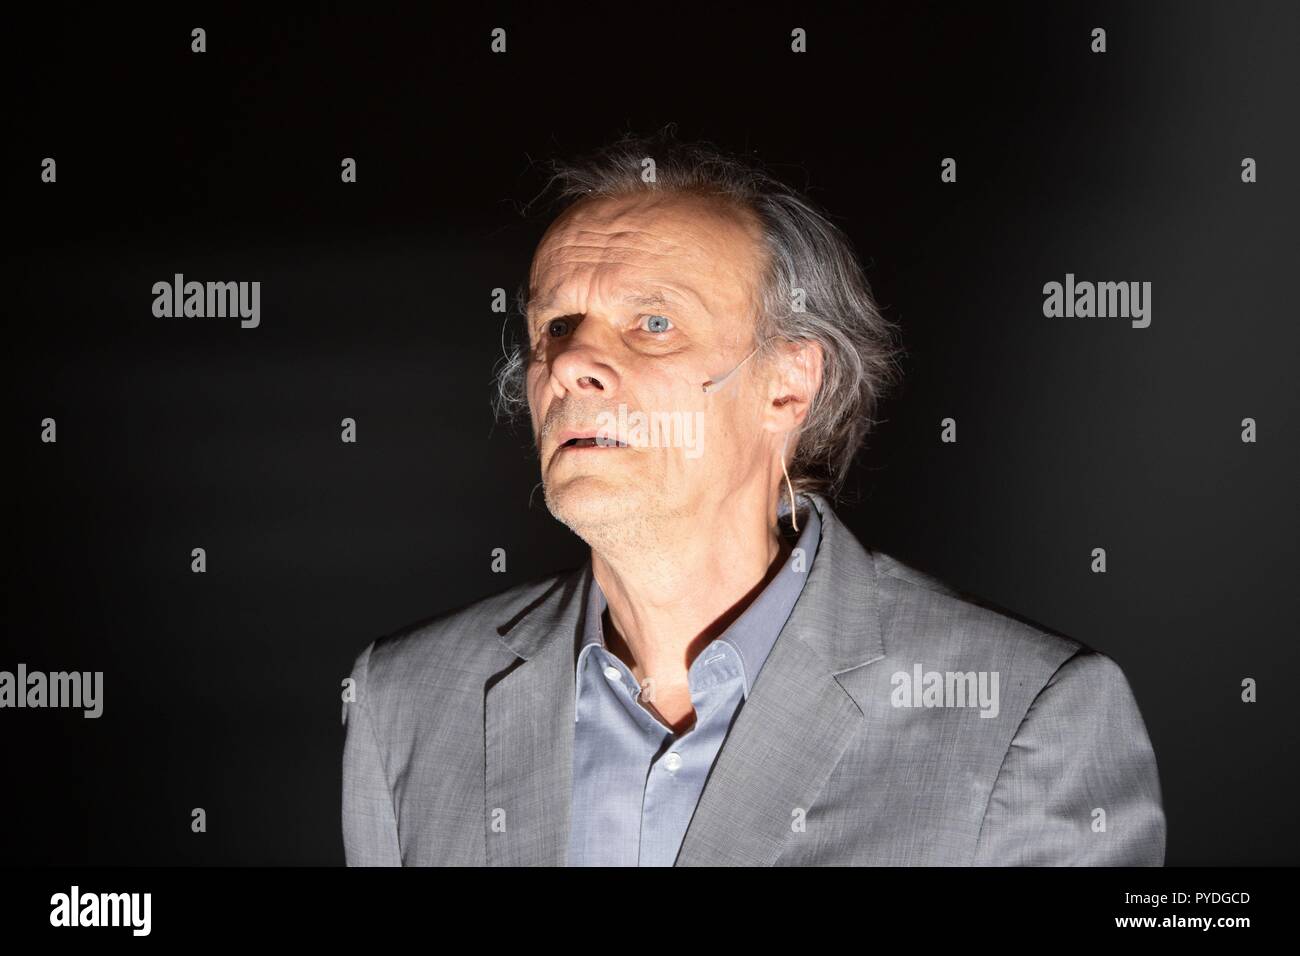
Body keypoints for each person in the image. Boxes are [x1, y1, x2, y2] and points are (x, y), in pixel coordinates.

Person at [341, 132, 1166, 866]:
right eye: (555, 326)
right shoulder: (405, 701)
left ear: (787, 386)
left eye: (653, 324)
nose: (570, 365)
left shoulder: (1028, 716)